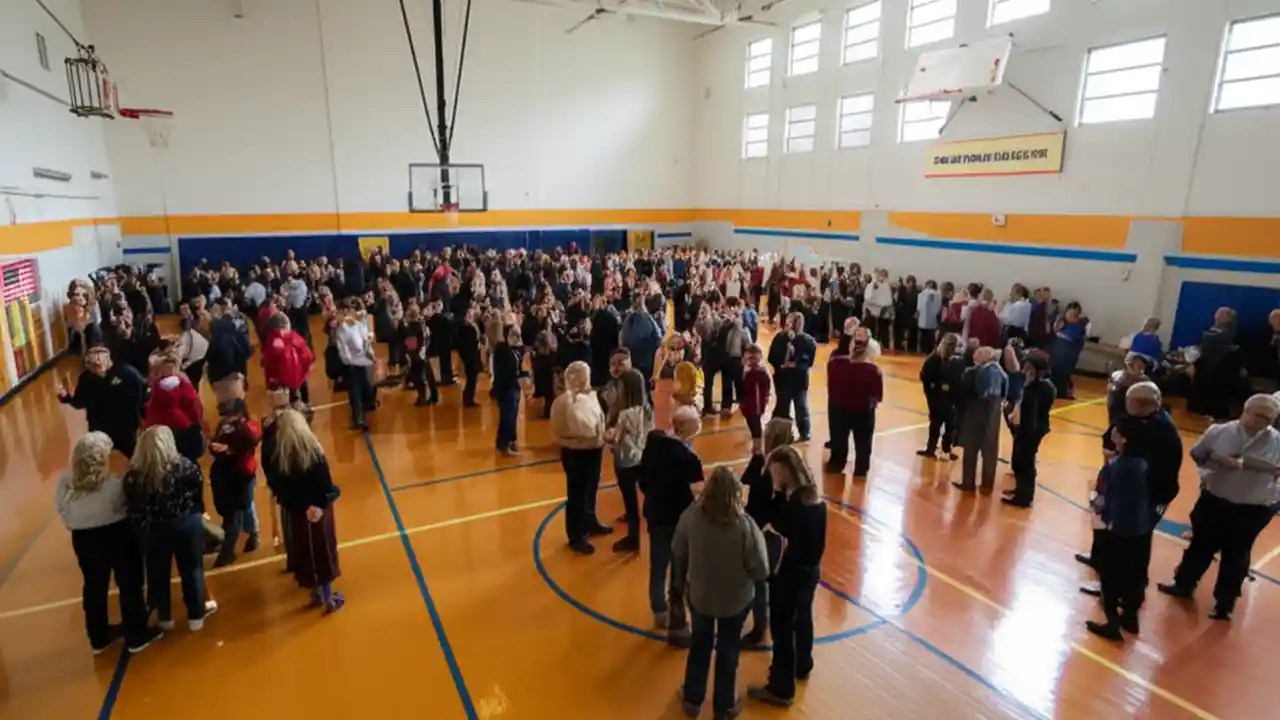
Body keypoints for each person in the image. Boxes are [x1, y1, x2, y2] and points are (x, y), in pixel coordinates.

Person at [1157, 393, 1280, 621]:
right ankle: (1183, 584)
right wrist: (1216, 463)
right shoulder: (1220, 431)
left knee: (1236, 554)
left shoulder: (1277, 442)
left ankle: (1225, 603)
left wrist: (1250, 466)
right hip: (1216, 499)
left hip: (1253, 507)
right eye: (1260, 415)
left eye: (1270, 418)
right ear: (1245, 411)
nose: (1264, 422)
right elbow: (1198, 454)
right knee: (1201, 544)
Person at [672, 467, 769, 720]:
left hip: (701, 597)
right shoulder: (744, 526)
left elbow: (678, 548)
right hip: (735, 602)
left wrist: (680, 584)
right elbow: (760, 567)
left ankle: (693, 699)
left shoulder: (692, 516)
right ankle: (724, 706)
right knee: (728, 651)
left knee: (699, 647)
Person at [57, 432, 162, 654]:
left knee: (94, 586)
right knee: (129, 584)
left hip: (83, 540)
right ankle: (136, 635)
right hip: (118, 535)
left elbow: (65, 515)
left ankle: (98, 638)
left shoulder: (66, 487)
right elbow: (129, 505)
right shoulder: (115, 486)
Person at [748, 445, 827, 707]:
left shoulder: (792, 508)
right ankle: (803, 664)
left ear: (781, 471)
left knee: (782, 632)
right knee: (803, 620)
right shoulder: (815, 501)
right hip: (810, 572)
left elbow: (770, 526)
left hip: (789, 577)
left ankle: (781, 688)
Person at [124, 426, 217, 631]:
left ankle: (165, 618)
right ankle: (196, 616)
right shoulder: (186, 467)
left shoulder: (134, 476)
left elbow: (134, 507)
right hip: (186, 525)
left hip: (155, 529)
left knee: (158, 574)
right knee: (192, 569)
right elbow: (197, 496)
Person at [1085, 417, 1157, 640]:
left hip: (1117, 527)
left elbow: (1105, 499)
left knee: (1110, 574)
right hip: (1141, 527)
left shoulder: (1117, 467)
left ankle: (1112, 623)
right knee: (1136, 571)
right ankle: (1131, 616)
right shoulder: (1147, 464)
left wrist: (1093, 501)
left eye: (1116, 433)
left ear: (1124, 439)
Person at [266, 409, 345, 613]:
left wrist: (300, 508)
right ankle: (328, 598)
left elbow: (280, 489)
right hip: (318, 512)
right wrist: (317, 506)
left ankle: (316, 593)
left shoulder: (279, 459)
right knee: (323, 550)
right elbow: (325, 484)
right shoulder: (314, 453)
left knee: (305, 553)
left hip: (298, 514)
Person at [640, 405, 705, 637]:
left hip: (655, 515)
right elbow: (699, 494)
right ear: (687, 428)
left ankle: (659, 611)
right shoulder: (688, 459)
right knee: (680, 572)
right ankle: (677, 621)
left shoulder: (653, 447)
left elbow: (643, 483)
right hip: (679, 521)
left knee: (657, 567)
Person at [740, 418, 795, 646]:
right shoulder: (781, 464)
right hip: (765, 528)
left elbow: (751, 490)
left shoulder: (777, 470)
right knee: (765, 579)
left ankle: (761, 627)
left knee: (760, 580)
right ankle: (765, 623)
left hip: (765, 530)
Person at [551, 361, 609, 555]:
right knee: (577, 493)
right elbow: (567, 429)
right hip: (577, 453)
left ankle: (590, 521)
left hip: (593, 449)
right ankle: (576, 535)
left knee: (591, 486)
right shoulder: (566, 402)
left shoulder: (590, 396)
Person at [58, 347, 148, 458]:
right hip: (99, 429)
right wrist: (66, 397)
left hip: (125, 426)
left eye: (98, 361)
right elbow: (79, 401)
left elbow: (143, 391)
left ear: (108, 359)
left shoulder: (127, 373)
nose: (96, 366)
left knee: (134, 456)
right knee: (98, 457)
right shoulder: (86, 379)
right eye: (91, 363)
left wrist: (141, 414)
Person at [209, 399, 262, 567]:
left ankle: (230, 550)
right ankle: (252, 535)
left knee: (237, 512)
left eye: (229, 414)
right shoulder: (223, 425)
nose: (225, 418)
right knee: (245, 507)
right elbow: (214, 442)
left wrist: (230, 449)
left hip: (242, 474)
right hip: (226, 474)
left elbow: (252, 441)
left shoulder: (248, 426)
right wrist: (216, 447)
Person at [826, 328, 883, 477]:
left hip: (838, 409)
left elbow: (831, 388)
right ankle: (861, 469)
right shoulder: (874, 370)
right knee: (864, 443)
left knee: (838, 439)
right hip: (863, 412)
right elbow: (877, 396)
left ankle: (836, 464)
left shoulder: (834, 364)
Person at [607, 368, 651, 553]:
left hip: (625, 460)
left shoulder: (624, 414)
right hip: (642, 457)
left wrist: (607, 436)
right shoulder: (647, 409)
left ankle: (633, 539)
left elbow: (614, 439)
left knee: (630, 501)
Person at [1002, 354, 1055, 508]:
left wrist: (1021, 429)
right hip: (1035, 428)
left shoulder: (1034, 389)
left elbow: (1030, 414)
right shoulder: (1047, 387)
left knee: (1023, 462)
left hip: (1029, 430)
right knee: (1023, 461)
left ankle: (1023, 497)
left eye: (1028, 368)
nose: (1024, 370)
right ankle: (1021, 491)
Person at [955, 347, 1008, 493]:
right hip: (995, 411)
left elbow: (967, 394)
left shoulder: (974, 372)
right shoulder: (1001, 371)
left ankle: (968, 483)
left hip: (977, 410)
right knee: (990, 448)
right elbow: (1005, 391)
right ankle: (987, 483)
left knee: (971, 448)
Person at [144, 355, 205, 462]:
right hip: (182, 427)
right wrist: (198, 423)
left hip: (159, 430)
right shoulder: (182, 384)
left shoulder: (154, 387)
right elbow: (194, 406)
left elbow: (149, 410)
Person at [768, 312, 818, 441]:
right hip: (783, 379)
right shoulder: (779, 338)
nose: (789, 325)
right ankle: (782, 433)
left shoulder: (808, 341)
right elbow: (771, 357)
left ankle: (804, 432)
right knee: (782, 406)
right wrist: (781, 365)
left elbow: (809, 361)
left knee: (801, 407)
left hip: (798, 380)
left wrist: (796, 364)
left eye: (793, 323)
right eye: (789, 322)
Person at [1188, 307, 1240, 420]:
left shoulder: (1223, 333)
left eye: (1219, 314)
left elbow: (1209, 345)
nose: (1215, 315)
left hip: (1215, 367)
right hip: (1212, 366)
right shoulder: (1218, 331)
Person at [333, 299, 377, 430]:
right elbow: (343, 349)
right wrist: (350, 361)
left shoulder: (359, 325)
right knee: (355, 393)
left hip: (363, 363)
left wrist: (369, 351)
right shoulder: (341, 330)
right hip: (352, 366)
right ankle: (358, 419)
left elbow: (366, 341)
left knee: (367, 388)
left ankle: (368, 406)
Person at [918, 333, 961, 460]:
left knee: (948, 424)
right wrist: (938, 386)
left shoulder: (953, 359)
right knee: (939, 423)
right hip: (937, 398)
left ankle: (943, 449)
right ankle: (933, 449)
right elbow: (924, 377)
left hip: (948, 397)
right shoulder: (934, 359)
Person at [261, 313, 315, 407]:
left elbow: (268, 364)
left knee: (284, 410)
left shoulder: (270, 343)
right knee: (300, 404)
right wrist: (303, 374)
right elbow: (308, 357)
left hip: (280, 385)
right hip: (298, 381)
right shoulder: (296, 337)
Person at [492, 325, 528, 456]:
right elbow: (503, 372)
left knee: (512, 416)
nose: (518, 338)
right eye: (514, 335)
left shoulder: (516, 350)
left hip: (514, 388)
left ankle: (511, 440)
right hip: (506, 389)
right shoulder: (502, 352)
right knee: (507, 417)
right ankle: (504, 444)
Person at [740, 344, 771, 453]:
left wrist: (762, 403)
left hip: (755, 405)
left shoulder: (759, 372)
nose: (751, 360)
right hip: (747, 404)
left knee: (755, 424)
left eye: (754, 358)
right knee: (751, 423)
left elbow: (764, 389)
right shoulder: (746, 371)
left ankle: (758, 446)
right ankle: (756, 442)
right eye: (749, 357)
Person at [916, 279, 942, 354]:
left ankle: (923, 350)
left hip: (923, 320)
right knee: (930, 337)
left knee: (924, 336)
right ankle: (929, 351)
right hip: (932, 320)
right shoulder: (937, 294)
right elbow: (938, 307)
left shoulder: (921, 294)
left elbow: (918, 308)